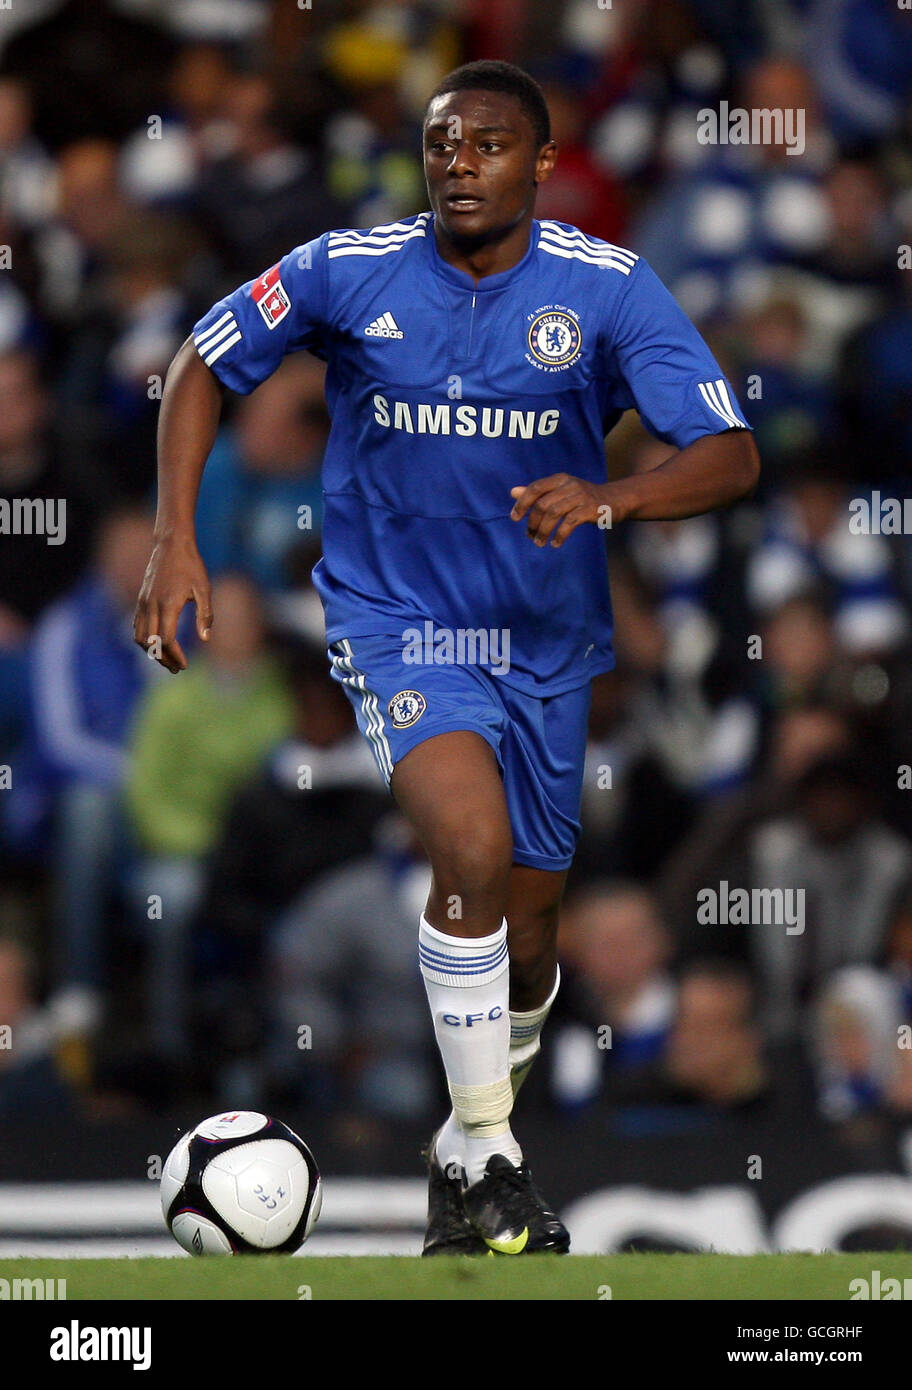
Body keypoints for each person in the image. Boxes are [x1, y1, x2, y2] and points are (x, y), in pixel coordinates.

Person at [133, 60, 759, 1256]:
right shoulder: (346, 268)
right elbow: (202, 363)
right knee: (464, 846)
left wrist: (612, 499)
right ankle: (494, 1149)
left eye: (486, 146)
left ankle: (467, 1154)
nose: (458, 164)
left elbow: (729, 454)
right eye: (440, 145)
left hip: (548, 643)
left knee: (527, 937)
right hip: (395, 619)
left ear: (540, 164)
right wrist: (177, 539)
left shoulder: (610, 290)